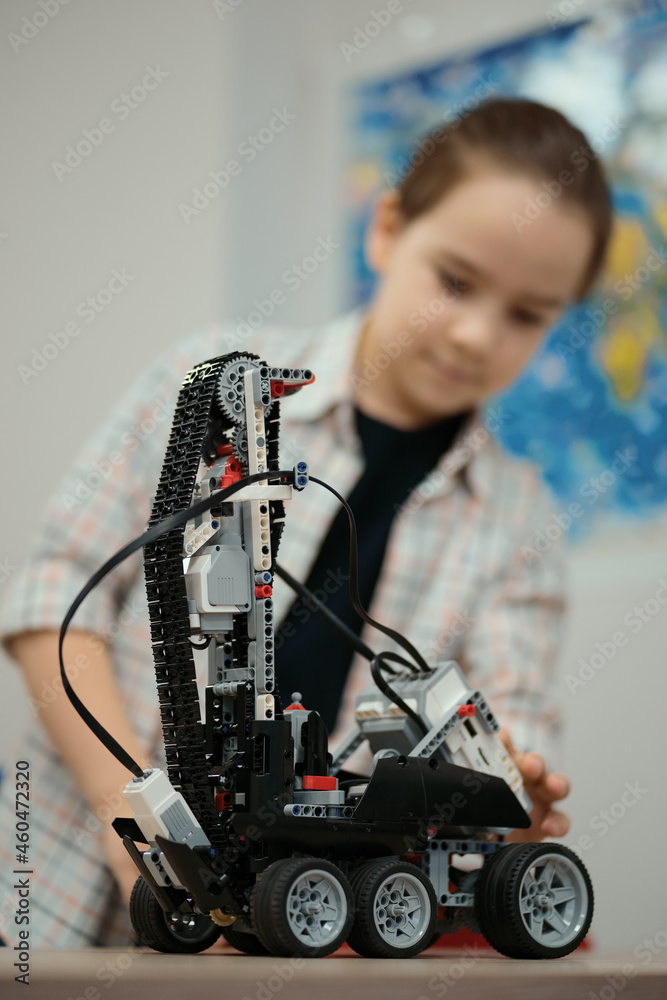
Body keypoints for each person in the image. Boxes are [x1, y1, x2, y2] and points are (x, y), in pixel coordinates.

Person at [0, 97, 613, 948]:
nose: (477, 335)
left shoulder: (518, 523)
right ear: (387, 229)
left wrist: (514, 794)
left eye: (526, 314)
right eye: (455, 281)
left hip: (303, 923)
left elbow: (510, 723)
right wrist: (134, 826)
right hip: (57, 887)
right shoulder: (208, 385)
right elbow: (53, 595)